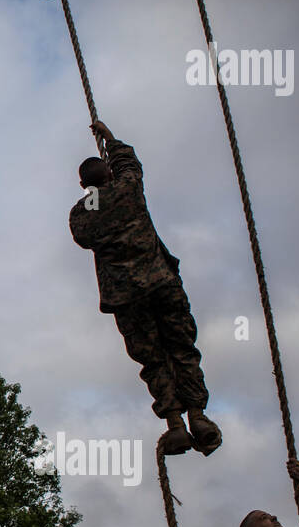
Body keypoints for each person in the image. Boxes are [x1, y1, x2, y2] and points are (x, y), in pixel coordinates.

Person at [68, 120, 222, 456]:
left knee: (152, 359)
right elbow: (129, 165)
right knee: (182, 347)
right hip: (161, 284)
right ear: (108, 174)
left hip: (126, 297)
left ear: (83, 185)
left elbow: (83, 235)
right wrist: (111, 142)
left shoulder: (83, 213)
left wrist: (94, 193)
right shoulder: (128, 188)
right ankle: (198, 416)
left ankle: (175, 425)